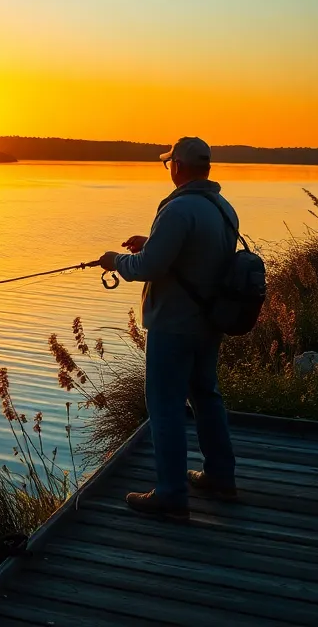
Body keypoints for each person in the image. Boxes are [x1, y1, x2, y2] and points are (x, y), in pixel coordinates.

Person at [97, 136, 239, 519]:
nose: (168, 169)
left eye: (168, 163)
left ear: (177, 166)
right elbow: (193, 255)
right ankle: (220, 476)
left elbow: (147, 268)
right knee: (206, 396)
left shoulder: (177, 210)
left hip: (174, 326)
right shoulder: (222, 207)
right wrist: (150, 244)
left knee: (165, 407)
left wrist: (114, 261)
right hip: (208, 324)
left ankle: (172, 494)